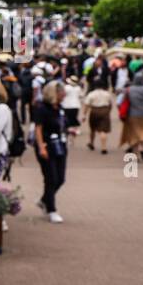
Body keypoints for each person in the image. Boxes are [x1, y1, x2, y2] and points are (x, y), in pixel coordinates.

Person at [34, 80, 69, 223]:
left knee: (60, 179)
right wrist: (41, 146)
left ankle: (44, 200)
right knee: (51, 178)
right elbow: (38, 129)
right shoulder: (42, 108)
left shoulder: (59, 108)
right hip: (47, 146)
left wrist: (69, 130)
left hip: (60, 145)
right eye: (61, 93)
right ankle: (51, 209)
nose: (64, 95)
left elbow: (62, 124)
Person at [120, 72, 143, 161]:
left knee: (134, 134)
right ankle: (141, 148)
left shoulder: (128, 89)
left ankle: (136, 154)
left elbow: (123, 102)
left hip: (131, 114)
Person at [83, 84, 114, 154]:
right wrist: (108, 111)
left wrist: (84, 114)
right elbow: (110, 104)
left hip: (94, 110)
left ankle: (91, 143)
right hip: (104, 110)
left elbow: (87, 104)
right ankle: (104, 147)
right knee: (103, 130)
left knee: (92, 128)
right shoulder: (107, 94)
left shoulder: (91, 94)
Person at [61, 73, 83, 139]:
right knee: (74, 117)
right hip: (75, 105)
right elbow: (81, 95)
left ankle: (68, 128)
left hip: (67, 105)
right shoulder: (78, 88)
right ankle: (74, 129)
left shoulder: (66, 87)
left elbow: (63, 95)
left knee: (67, 117)